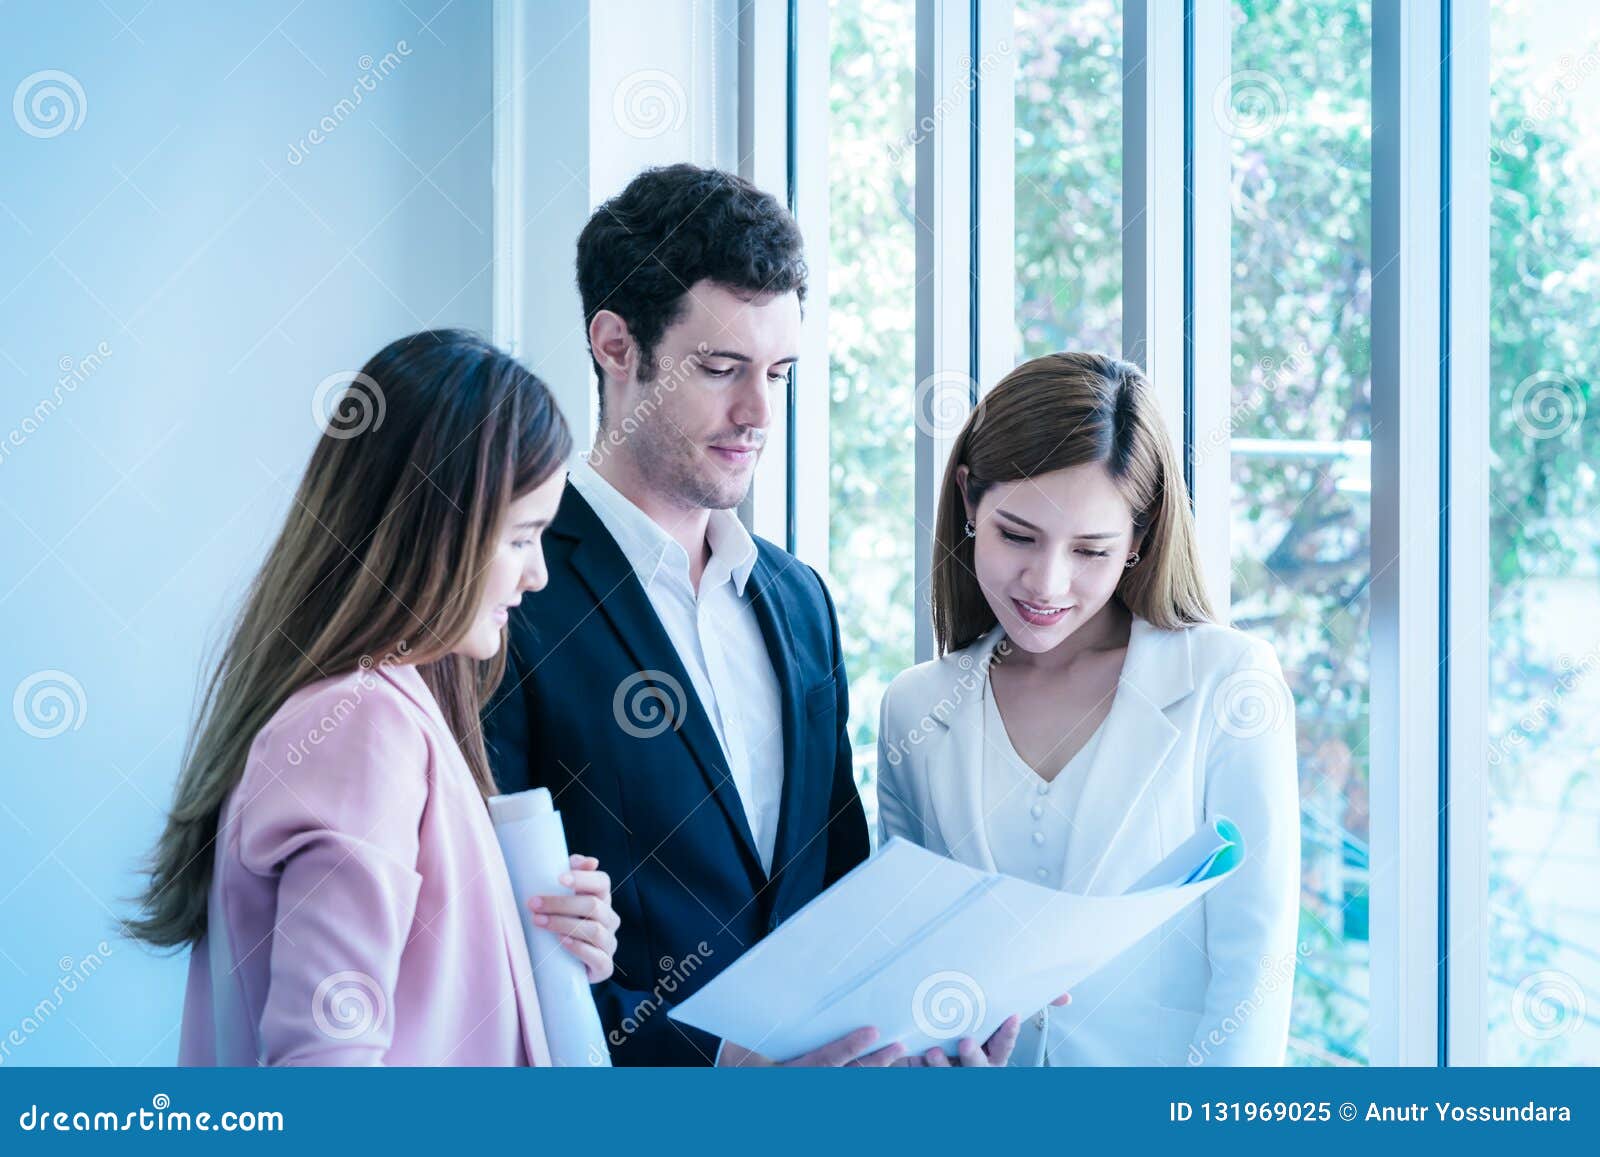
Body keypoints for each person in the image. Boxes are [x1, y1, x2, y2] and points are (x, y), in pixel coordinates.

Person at [481, 164, 1035, 1067]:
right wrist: (731, 1074)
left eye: (779, 371)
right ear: (617, 346)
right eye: (719, 368)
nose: (757, 413)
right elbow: (498, 935)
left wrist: (919, 1028)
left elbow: (838, 883)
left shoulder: (799, 601)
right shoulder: (510, 594)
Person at [131, 330, 620, 1065]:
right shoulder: (359, 725)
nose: (538, 575)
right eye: (522, 538)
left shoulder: (394, 708)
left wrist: (539, 948)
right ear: (437, 533)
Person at [876, 352, 1301, 1066]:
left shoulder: (1226, 685)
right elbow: (916, 963)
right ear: (969, 502)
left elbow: (1255, 966)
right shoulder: (915, 708)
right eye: (1017, 535)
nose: (1047, 582)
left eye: (1091, 549)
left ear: (1139, 538)